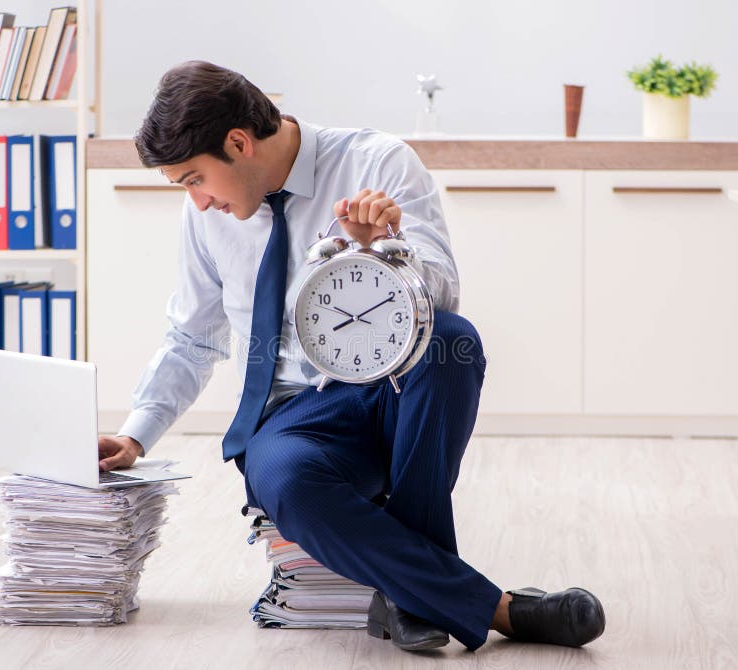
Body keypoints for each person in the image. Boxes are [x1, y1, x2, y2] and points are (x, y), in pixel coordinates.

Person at [97, 61, 605, 652]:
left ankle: (419, 596)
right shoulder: (206, 218)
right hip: (294, 416)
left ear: (238, 143)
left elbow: (442, 292)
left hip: (393, 389)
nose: (200, 201)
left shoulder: (379, 162)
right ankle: (498, 609)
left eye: (194, 179)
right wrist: (136, 435)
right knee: (284, 480)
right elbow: (192, 336)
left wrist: (385, 253)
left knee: (449, 339)